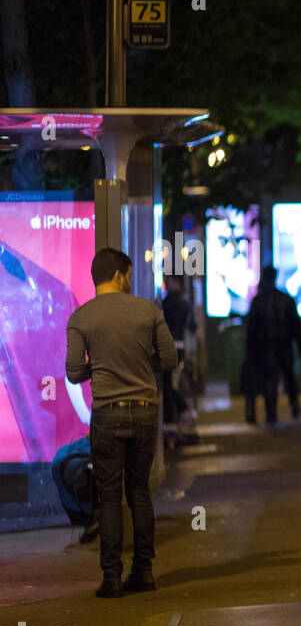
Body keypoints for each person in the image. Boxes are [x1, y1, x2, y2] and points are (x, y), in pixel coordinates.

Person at [65, 247, 177, 598]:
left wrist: (94, 368)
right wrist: (142, 366)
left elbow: (72, 372)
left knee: (110, 497)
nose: (130, 281)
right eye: (127, 275)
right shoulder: (148, 311)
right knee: (140, 492)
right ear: (118, 275)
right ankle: (144, 572)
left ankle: (111, 578)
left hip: (108, 413)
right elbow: (170, 359)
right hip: (144, 409)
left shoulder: (81, 318)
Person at [243, 267, 301, 425]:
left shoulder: (258, 300)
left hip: (264, 346)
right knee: (288, 376)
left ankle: (271, 412)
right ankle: (293, 404)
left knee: (269, 378)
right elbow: (295, 325)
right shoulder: (286, 299)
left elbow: (252, 327)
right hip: (284, 344)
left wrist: (249, 348)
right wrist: (300, 344)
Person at [159, 272, 191, 446]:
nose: (166, 283)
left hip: (171, 347)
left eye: (169, 281)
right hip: (179, 346)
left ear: (176, 282)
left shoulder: (170, 303)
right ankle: (180, 411)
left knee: (167, 384)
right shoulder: (183, 303)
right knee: (169, 383)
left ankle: (179, 411)